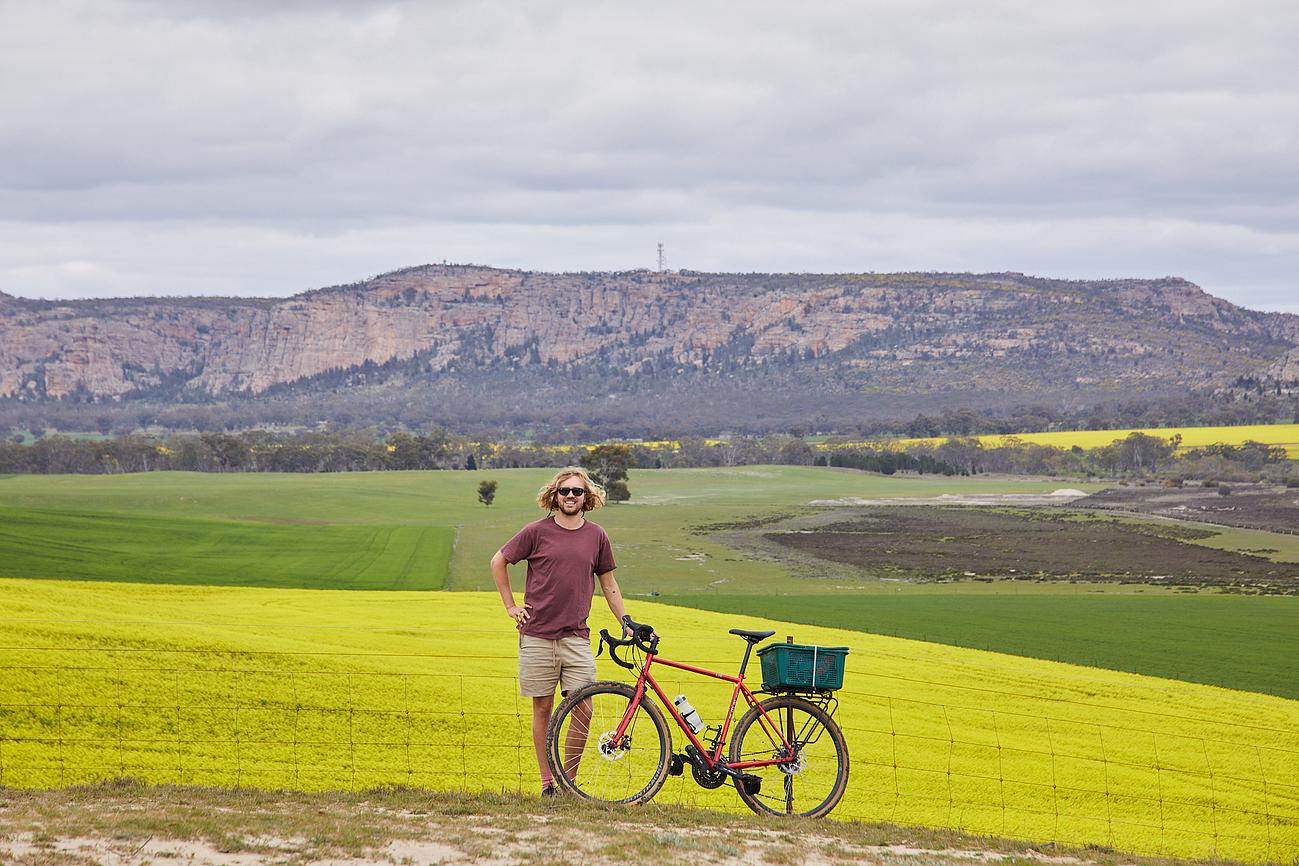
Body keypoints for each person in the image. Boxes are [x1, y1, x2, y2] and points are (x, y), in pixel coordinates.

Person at [491, 466, 629, 797]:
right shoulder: (535, 532)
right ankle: (547, 783)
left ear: (587, 497)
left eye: (577, 492)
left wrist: (626, 620)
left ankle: (569, 783)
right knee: (543, 708)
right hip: (537, 635)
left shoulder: (597, 536)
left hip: (576, 636)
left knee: (584, 708)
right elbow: (499, 561)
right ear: (555, 495)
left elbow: (608, 584)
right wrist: (511, 606)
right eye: (564, 491)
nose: (570, 496)